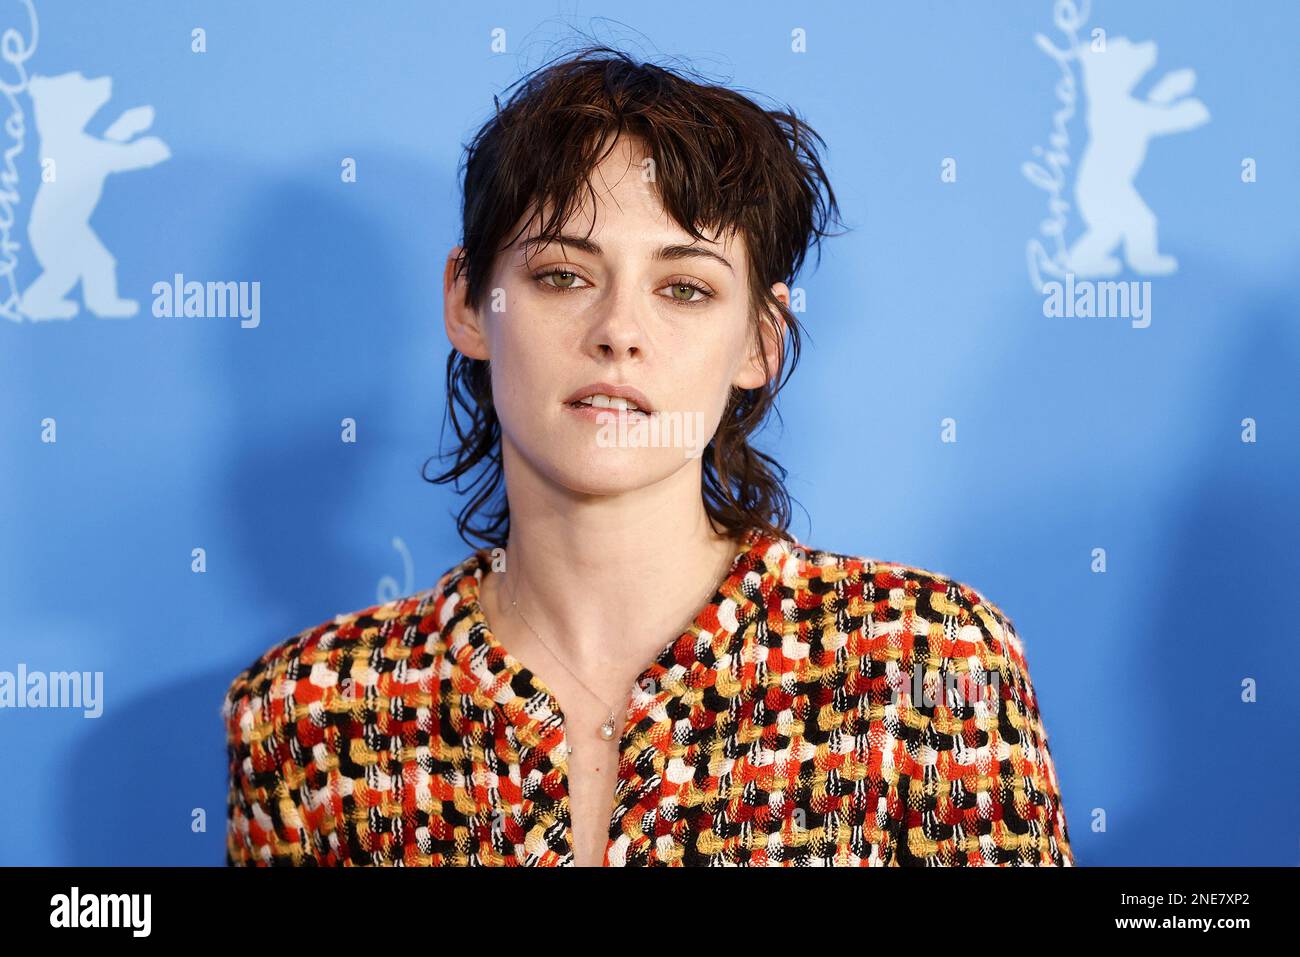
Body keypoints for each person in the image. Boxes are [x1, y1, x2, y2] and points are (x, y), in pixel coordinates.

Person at [221, 44, 1074, 867]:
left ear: (760, 342)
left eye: (685, 288)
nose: (619, 332)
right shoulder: (311, 711)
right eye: (562, 274)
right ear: (469, 302)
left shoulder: (925, 661)